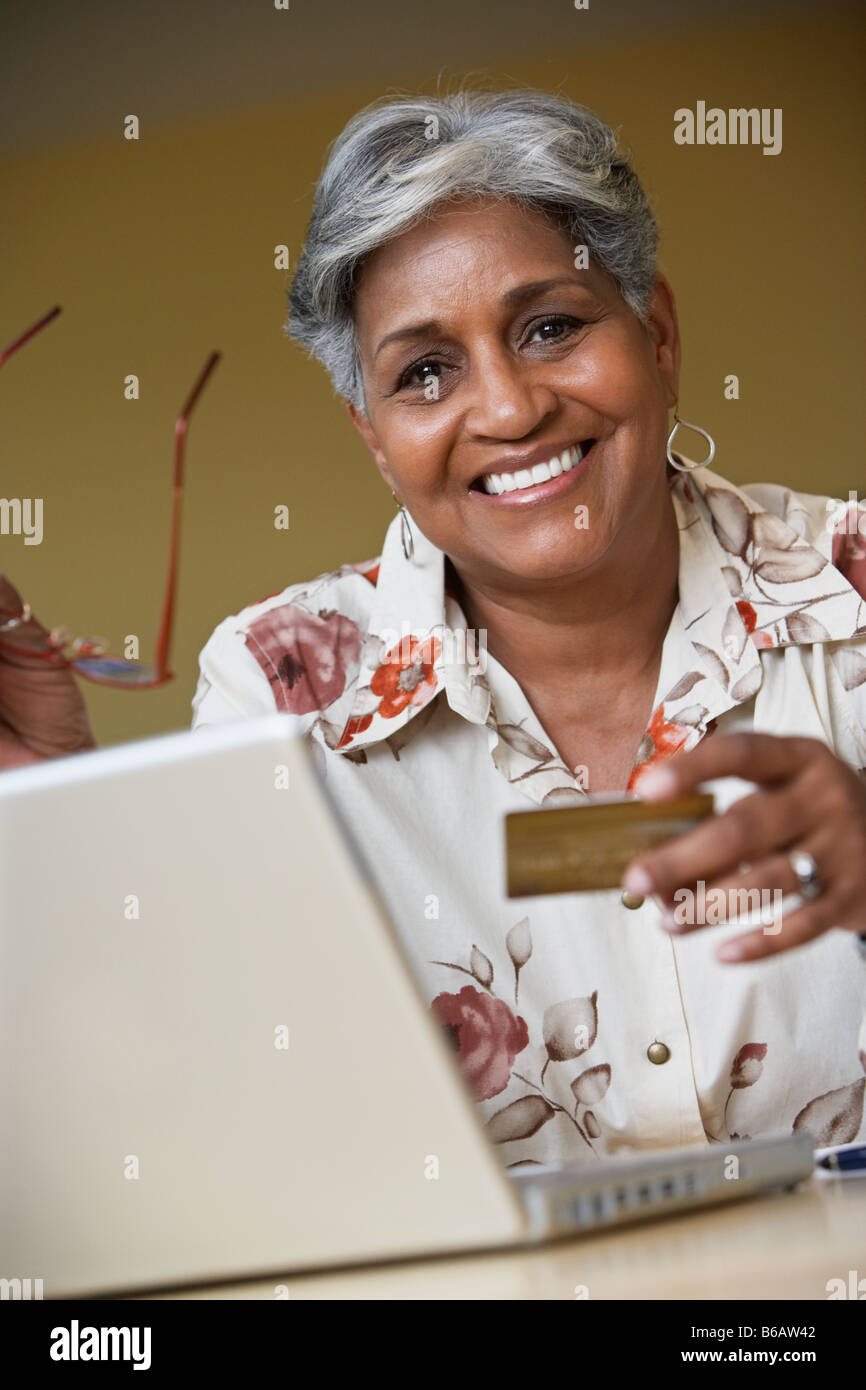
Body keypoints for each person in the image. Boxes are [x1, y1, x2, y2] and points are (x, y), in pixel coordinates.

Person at [3, 88, 866, 1167]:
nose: (506, 410)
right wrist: (47, 846)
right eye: (424, 371)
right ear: (373, 437)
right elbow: (200, 1122)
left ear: (656, 336)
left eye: (551, 326)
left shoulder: (854, 595)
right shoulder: (279, 690)